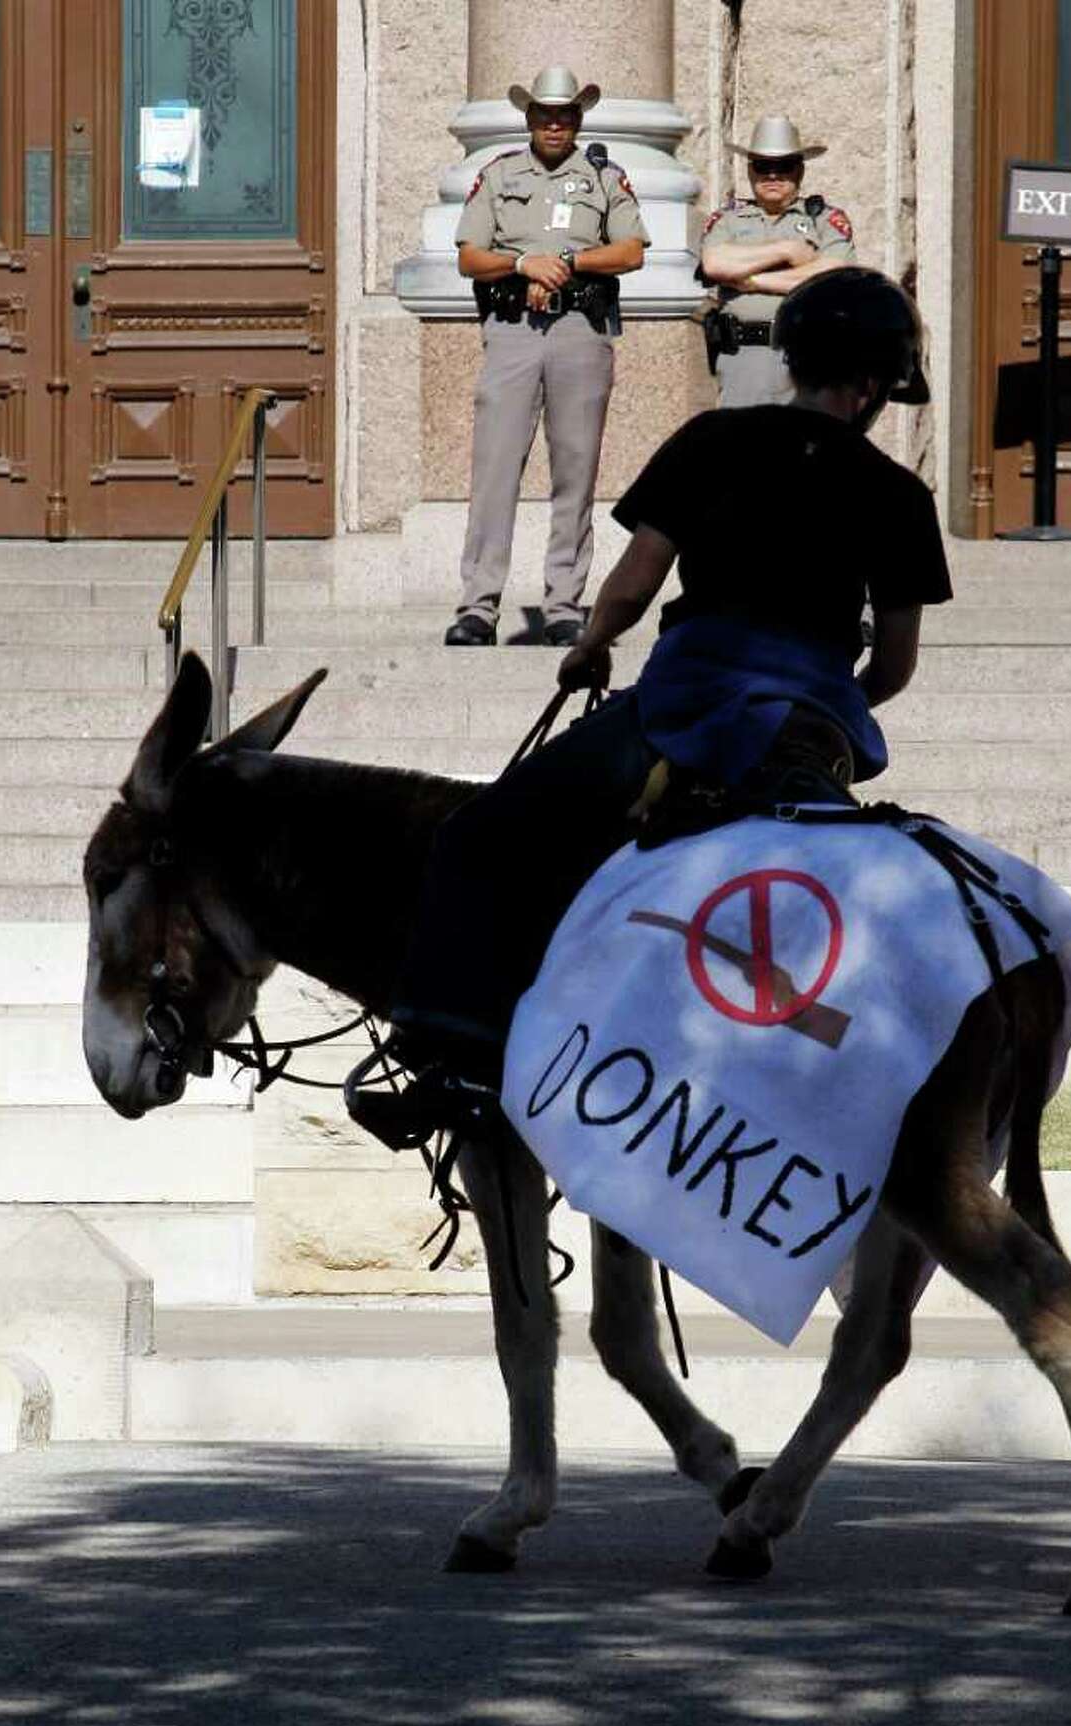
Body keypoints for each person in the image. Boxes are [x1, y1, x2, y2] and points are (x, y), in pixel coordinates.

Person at [353, 268, 951, 1148]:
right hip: (809, 740)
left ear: (793, 360)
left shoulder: (712, 439)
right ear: (872, 386)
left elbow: (634, 582)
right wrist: (826, 705)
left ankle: (447, 1059)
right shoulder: (901, 495)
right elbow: (894, 667)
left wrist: (590, 646)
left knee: (476, 834)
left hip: (682, 707)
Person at [445, 65, 650, 649]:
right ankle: (477, 607)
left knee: (575, 470)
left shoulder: (604, 177)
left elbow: (631, 250)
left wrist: (563, 260)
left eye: (565, 114)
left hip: (579, 330)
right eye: (545, 114)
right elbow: (468, 257)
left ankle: (564, 603)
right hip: (512, 329)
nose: (555, 124)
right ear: (529, 118)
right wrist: (520, 264)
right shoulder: (499, 172)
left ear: (578, 118)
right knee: (495, 468)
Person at [700, 115, 856, 408]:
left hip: (807, 356)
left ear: (800, 170)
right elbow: (715, 265)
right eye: (763, 166)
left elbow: (833, 276)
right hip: (744, 358)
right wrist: (787, 251)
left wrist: (753, 280)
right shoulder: (727, 220)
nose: (772, 176)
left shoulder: (823, 219)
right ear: (750, 171)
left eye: (783, 167)